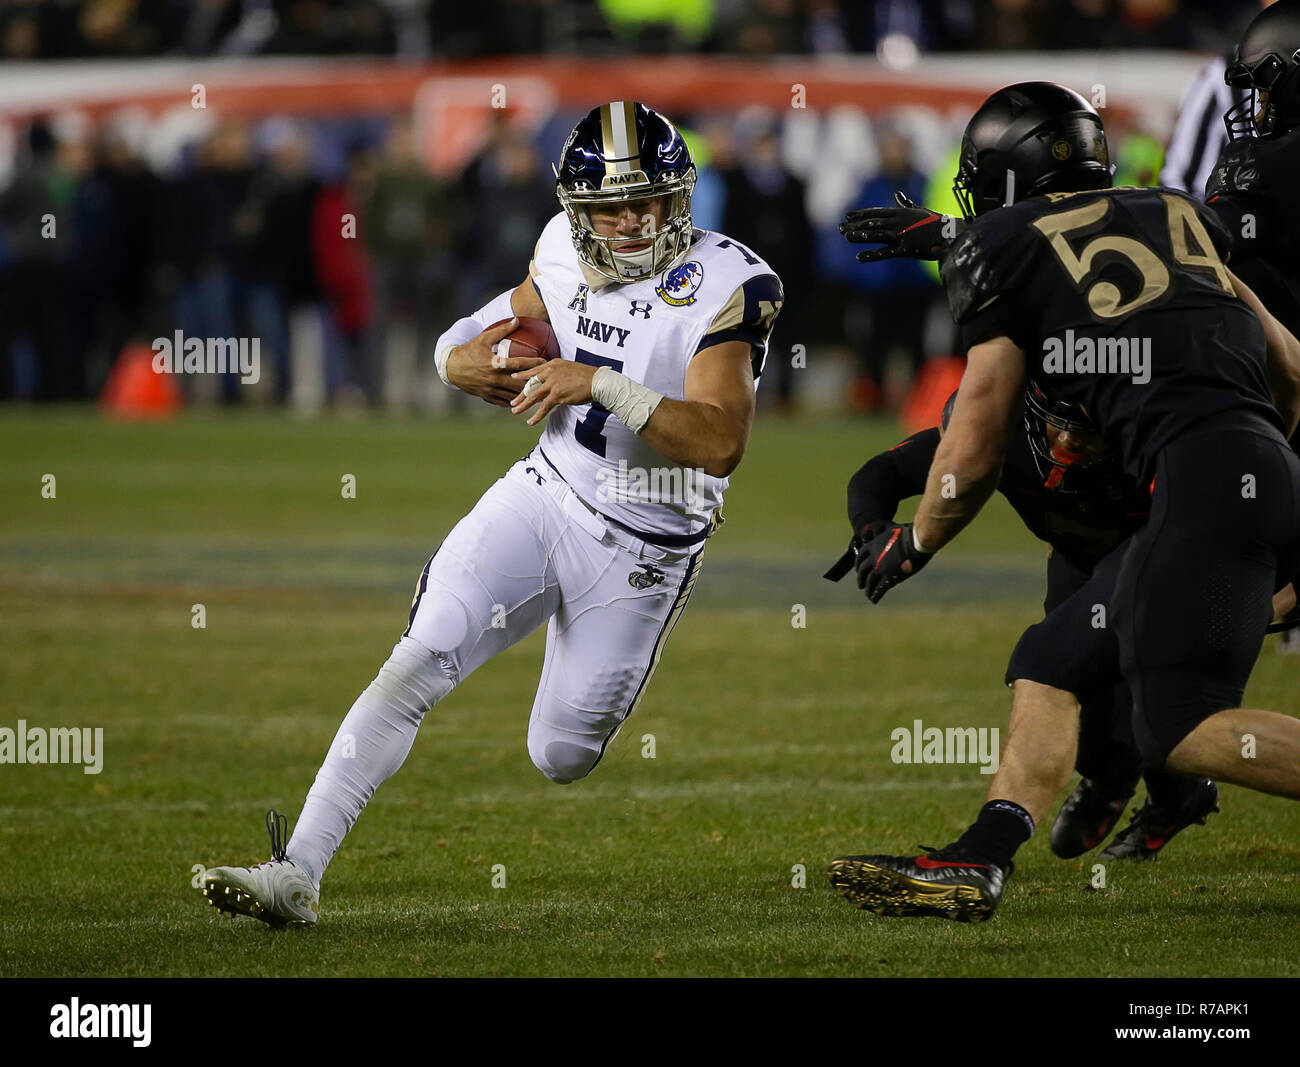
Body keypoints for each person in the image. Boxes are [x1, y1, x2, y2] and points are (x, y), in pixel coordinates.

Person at [200, 101, 783, 925]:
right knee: (418, 658)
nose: (630, 220)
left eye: (648, 200)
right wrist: (452, 356)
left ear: (679, 195)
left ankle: (566, 621)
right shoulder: (558, 244)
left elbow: (720, 441)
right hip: (546, 493)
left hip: (648, 542)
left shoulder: (729, 281)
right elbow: (491, 320)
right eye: (610, 205)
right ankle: (297, 870)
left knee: (561, 754)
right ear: (577, 209)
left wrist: (599, 382)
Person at [827, 82, 1300, 922]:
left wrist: (915, 544)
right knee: (1051, 656)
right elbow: (1291, 365)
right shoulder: (1177, 210)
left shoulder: (999, 244)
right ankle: (980, 858)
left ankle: (1000, 850)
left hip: (1198, 479)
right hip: (1259, 465)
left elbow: (969, 451)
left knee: (1185, 728)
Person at [826, 384, 1229, 862]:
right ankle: (1149, 784)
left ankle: (1132, 787)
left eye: (1089, 433)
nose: (1069, 443)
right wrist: (873, 529)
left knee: (1122, 684)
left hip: (1156, 564)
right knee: (1087, 711)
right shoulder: (1002, 431)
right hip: (1076, 569)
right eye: (1061, 427)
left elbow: (1227, 516)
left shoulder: (1158, 444)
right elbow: (883, 472)